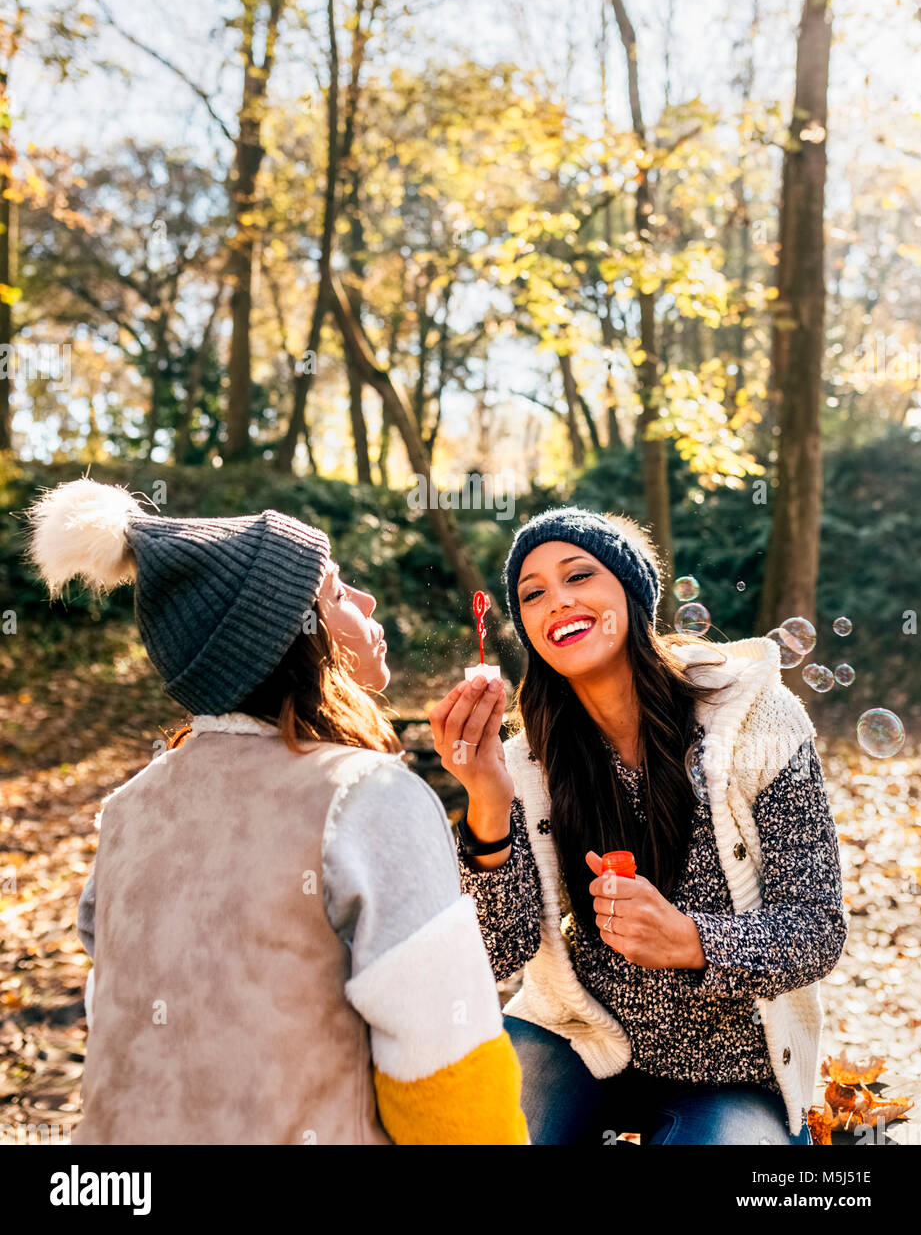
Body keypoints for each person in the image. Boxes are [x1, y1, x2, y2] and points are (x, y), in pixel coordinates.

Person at [27, 477, 528, 1145]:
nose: (367, 600)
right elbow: (443, 1068)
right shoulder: (370, 793)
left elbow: (123, 1025)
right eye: (336, 590)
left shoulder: (130, 809)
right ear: (297, 636)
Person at [429, 506, 848, 1146]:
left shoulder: (756, 721)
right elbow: (494, 953)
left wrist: (692, 941)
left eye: (579, 576)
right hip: (582, 1038)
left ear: (630, 591)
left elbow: (816, 929)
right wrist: (485, 797)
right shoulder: (523, 761)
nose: (557, 601)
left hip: (732, 1070)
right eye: (533, 593)